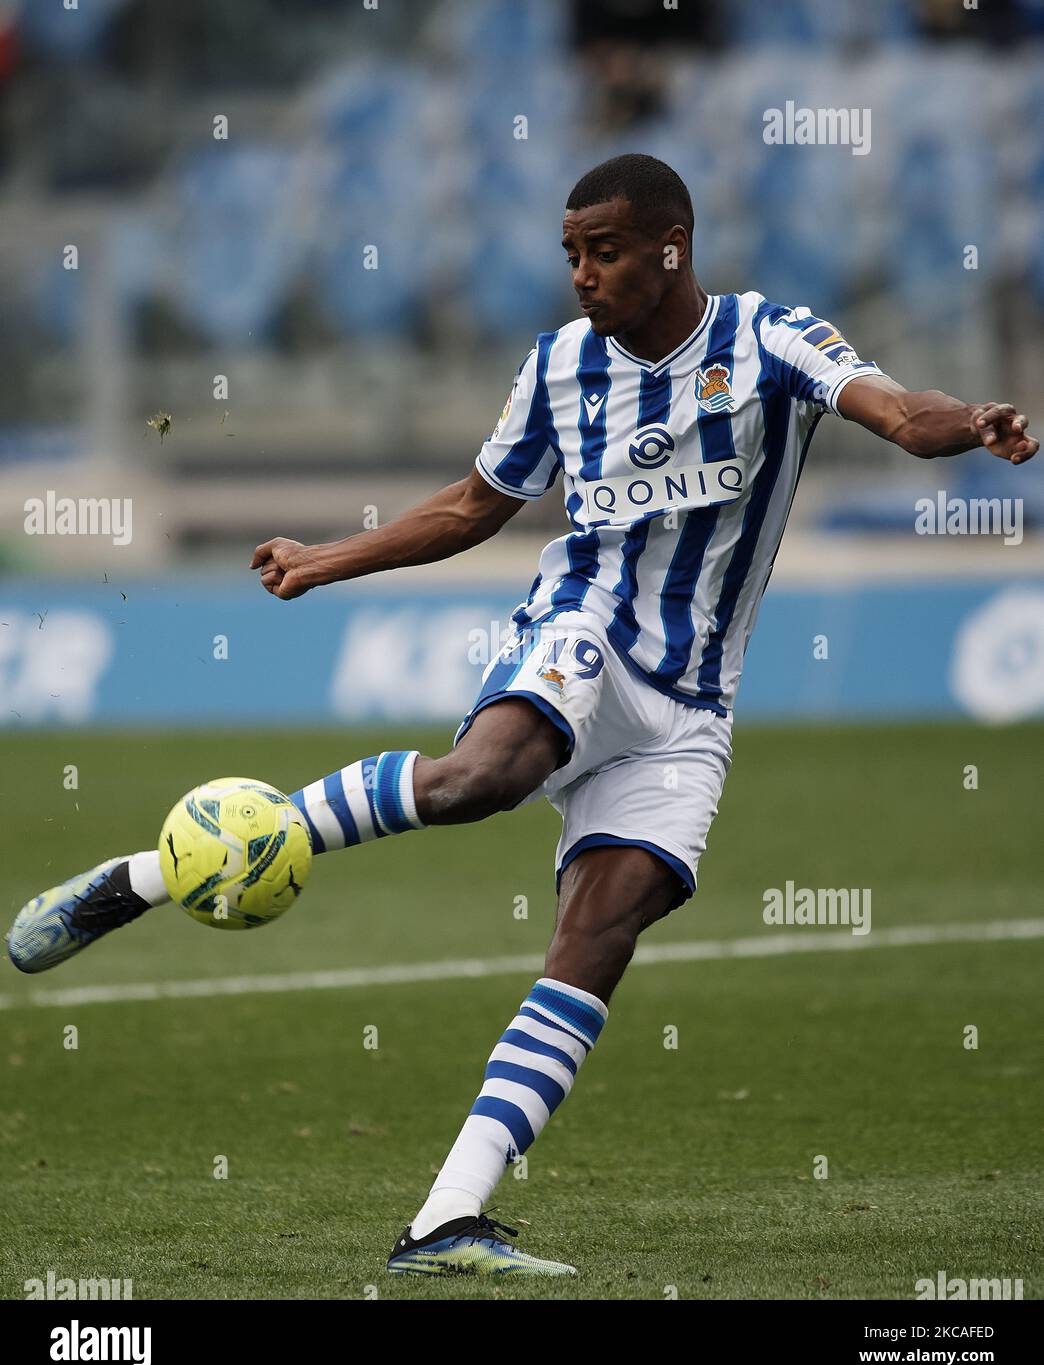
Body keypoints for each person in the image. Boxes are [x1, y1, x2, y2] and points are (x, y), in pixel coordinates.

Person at [8, 154, 1037, 1278]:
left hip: (691, 703)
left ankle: (443, 1222)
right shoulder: (558, 367)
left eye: (603, 250)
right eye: (570, 254)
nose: (582, 275)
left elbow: (893, 408)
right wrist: (321, 557)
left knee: (594, 944)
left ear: (670, 247)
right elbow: (471, 506)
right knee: (478, 779)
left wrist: (971, 421)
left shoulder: (768, 339)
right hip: (580, 631)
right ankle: (145, 876)